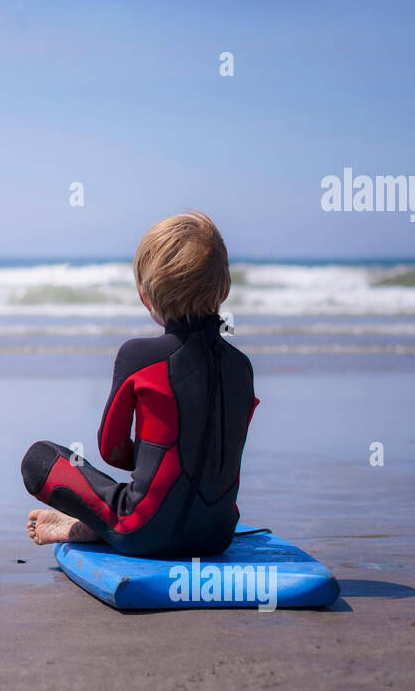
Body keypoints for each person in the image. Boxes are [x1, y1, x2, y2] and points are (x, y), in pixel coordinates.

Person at [20, 210, 257, 558]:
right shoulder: (242, 367)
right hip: (217, 534)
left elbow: (110, 449)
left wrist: (153, 461)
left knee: (38, 459)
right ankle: (112, 522)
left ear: (145, 296)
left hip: (142, 530)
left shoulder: (138, 357)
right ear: (225, 287)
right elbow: (221, 453)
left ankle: (97, 525)